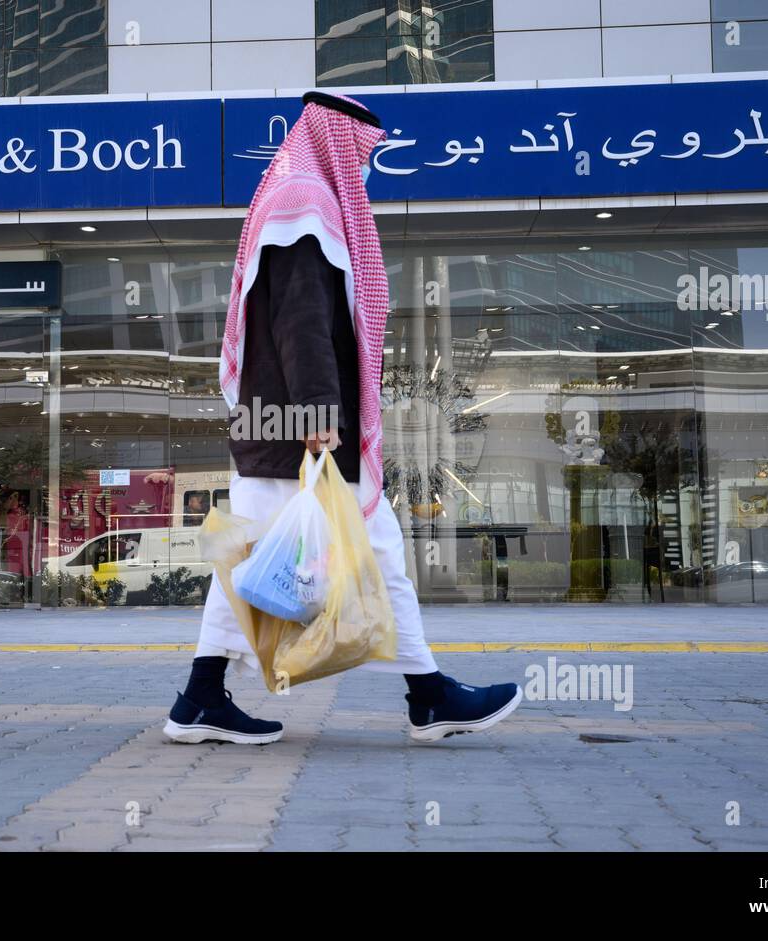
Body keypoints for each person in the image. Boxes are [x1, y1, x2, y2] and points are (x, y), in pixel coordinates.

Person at [164, 91, 521, 746]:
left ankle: (201, 697)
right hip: (298, 427)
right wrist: (321, 412)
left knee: (252, 563)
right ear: (336, 138)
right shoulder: (307, 203)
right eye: (361, 150)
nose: (363, 166)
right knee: (379, 552)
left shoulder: (292, 192)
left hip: (270, 427)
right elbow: (301, 320)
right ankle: (429, 696)